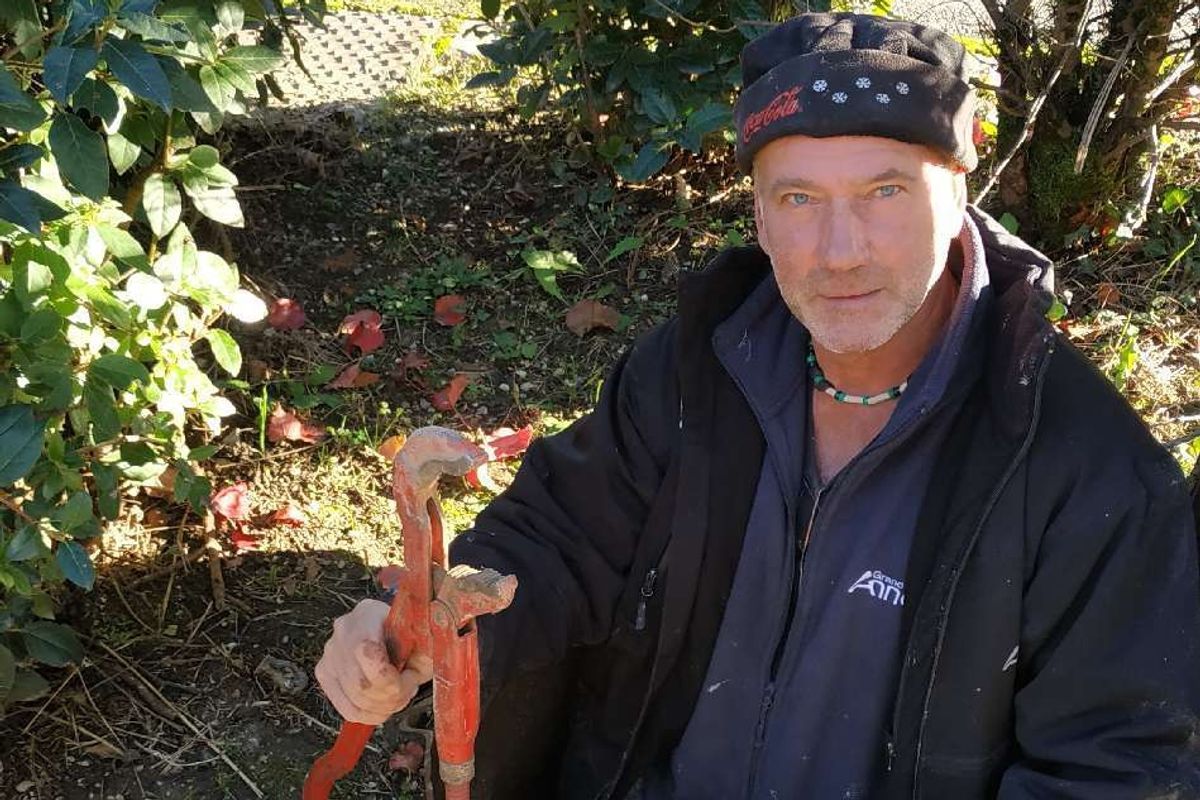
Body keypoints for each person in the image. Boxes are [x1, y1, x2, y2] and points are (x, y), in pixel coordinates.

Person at [315, 12, 1200, 799]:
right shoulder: (700, 369)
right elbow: (557, 539)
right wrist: (419, 635)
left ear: (960, 189)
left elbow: (1117, 761)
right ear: (761, 218)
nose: (840, 251)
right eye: (800, 198)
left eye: (886, 191)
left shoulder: (1086, 470)